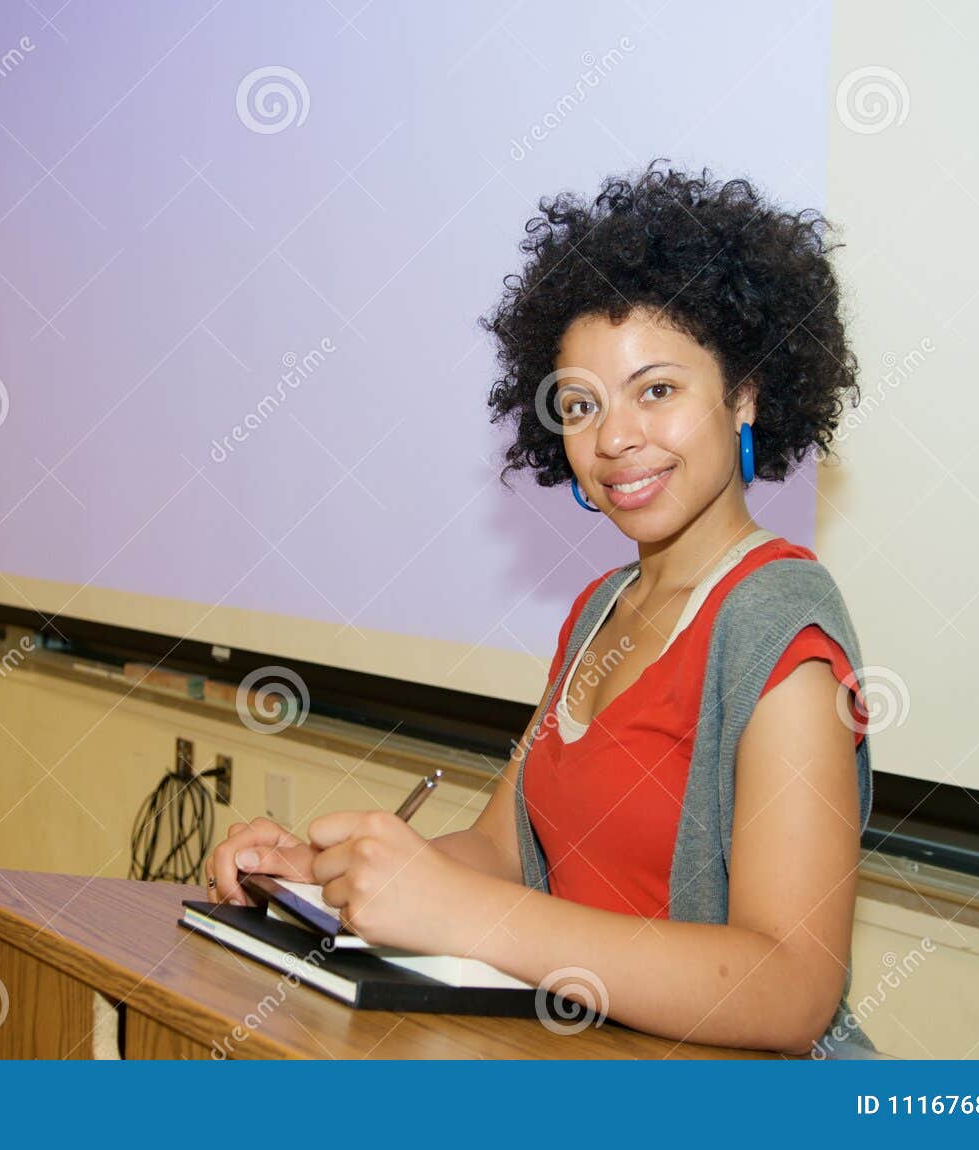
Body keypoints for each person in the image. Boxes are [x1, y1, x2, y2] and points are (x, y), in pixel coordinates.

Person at [207, 161, 875, 1057]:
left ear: (746, 393)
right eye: (580, 405)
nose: (613, 438)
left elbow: (790, 990)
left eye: (658, 391)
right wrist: (325, 880)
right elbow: (503, 854)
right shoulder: (605, 608)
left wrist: (473, 915)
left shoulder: (780, 627)